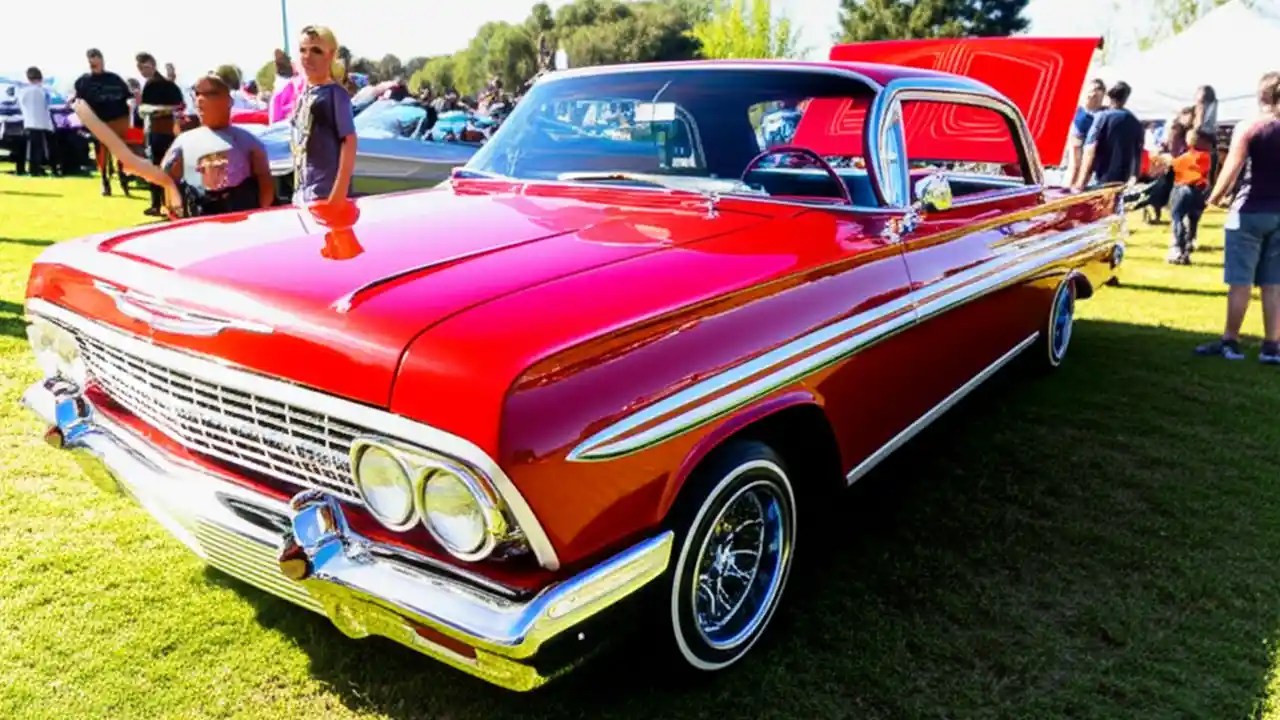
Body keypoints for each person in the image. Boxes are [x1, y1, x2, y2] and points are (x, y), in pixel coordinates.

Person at [1195, 72, 1280, 364]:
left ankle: (1231, 341)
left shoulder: (1250, 127)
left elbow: (1232, 168)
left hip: (1248, 211)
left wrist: (1212, 199)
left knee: (1240, 280)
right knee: (1273, 283)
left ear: (1262, 95)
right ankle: (1271, 346)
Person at [161, 73, 274, 215]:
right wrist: (174, 209)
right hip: (198, 214)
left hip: (239, 213)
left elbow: (264, 179)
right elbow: (168, 179)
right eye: (197, 94)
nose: (200, 100)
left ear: (228, 101)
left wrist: (260, 211)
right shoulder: (185, 141)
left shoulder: (247, 140)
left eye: (209, 94)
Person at [289, 25, 357, 206]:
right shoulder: (304, 94)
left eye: (316, 51)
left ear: (330, 55)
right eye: (303, 50)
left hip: (325, 194)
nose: (307, 57)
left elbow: (349, 141)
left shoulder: (335, 94)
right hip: (303, 195)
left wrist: (338, 195)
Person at [74, 48, 133, 196]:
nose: (93, 63)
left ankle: (122, 179)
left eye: (95, 59)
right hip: (97, 123)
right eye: (90, 60)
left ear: (101, 60)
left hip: (117, 120)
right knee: (101, 155)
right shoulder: (83, 81)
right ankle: (105, 181)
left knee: (120, 154)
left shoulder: (115, 79)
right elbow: (78, 100)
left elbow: (128, 97)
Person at [136, 52, 186, 217]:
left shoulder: (158, 86)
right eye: (139, 67)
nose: (142, 70)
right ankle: (159, 204)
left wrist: (160, 110)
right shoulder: (152, 85)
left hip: (164, 131)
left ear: (152, 64)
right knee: (159, 168)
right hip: (157, 131)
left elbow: (179, 106)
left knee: (163, 168)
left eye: (144, 66)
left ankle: (163, 204)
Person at [1071, 81, 1145, 190]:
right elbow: (1138, 154)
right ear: (1125, 99)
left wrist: (1081, 182)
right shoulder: (1136, 123)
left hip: (1100, 179)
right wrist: (1134, 177)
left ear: (1108, 96)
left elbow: (1090, 150)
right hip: (1120, 182)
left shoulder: (1102, 117)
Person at [1164, 128, 1213, 265]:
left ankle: (1177, 249)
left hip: (1182, 188)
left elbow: (1172, 167)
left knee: (1177, 219)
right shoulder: (1207, 157)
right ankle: (1189, 245)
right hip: (1199, 190)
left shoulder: (1186, 157)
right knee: (1193, 220)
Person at [1065, 78, 1105, 186]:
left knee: (1088, 168)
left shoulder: (1104, 112)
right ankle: (1067, 189)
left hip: (1093, 136)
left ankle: (1078, 190)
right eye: (1091, 92)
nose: (1093, 95)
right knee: (1075, 165)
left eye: (1097, 91)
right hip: (1080, 126)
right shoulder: (1080, 110)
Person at [15, 67, 53, 177]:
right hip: (40, 123)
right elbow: (47, 107)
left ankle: (21, 169)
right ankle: (35, 170)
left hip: (26, 122)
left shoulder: (22, 91)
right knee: (37, 149)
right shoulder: (43, 91)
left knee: (24, 148)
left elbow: (19, 105)